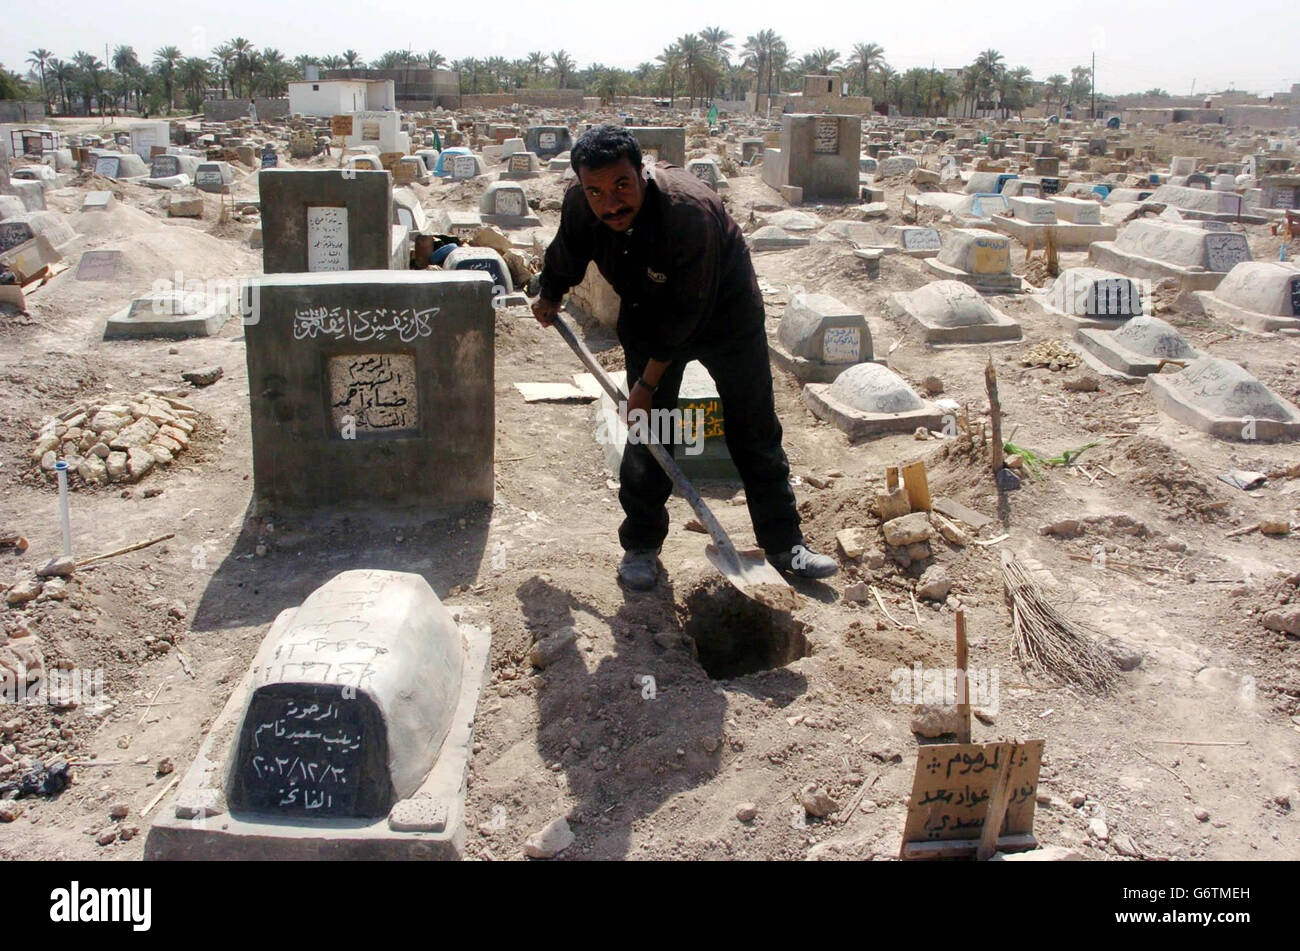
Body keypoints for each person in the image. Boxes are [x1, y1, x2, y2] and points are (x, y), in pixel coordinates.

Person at [531, 124, 838, 591]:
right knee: (650, 434)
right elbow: (569, 250)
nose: (610, 203)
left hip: (724, 316)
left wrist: (645, 387)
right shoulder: (583, 202)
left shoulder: (687, 214)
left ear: (642, 173)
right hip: (647, 314)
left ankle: (784, 544)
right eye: (595, 191)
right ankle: (642, 545)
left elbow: (684, 318)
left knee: (753, 429)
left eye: (621, 186)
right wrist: (550, 292)